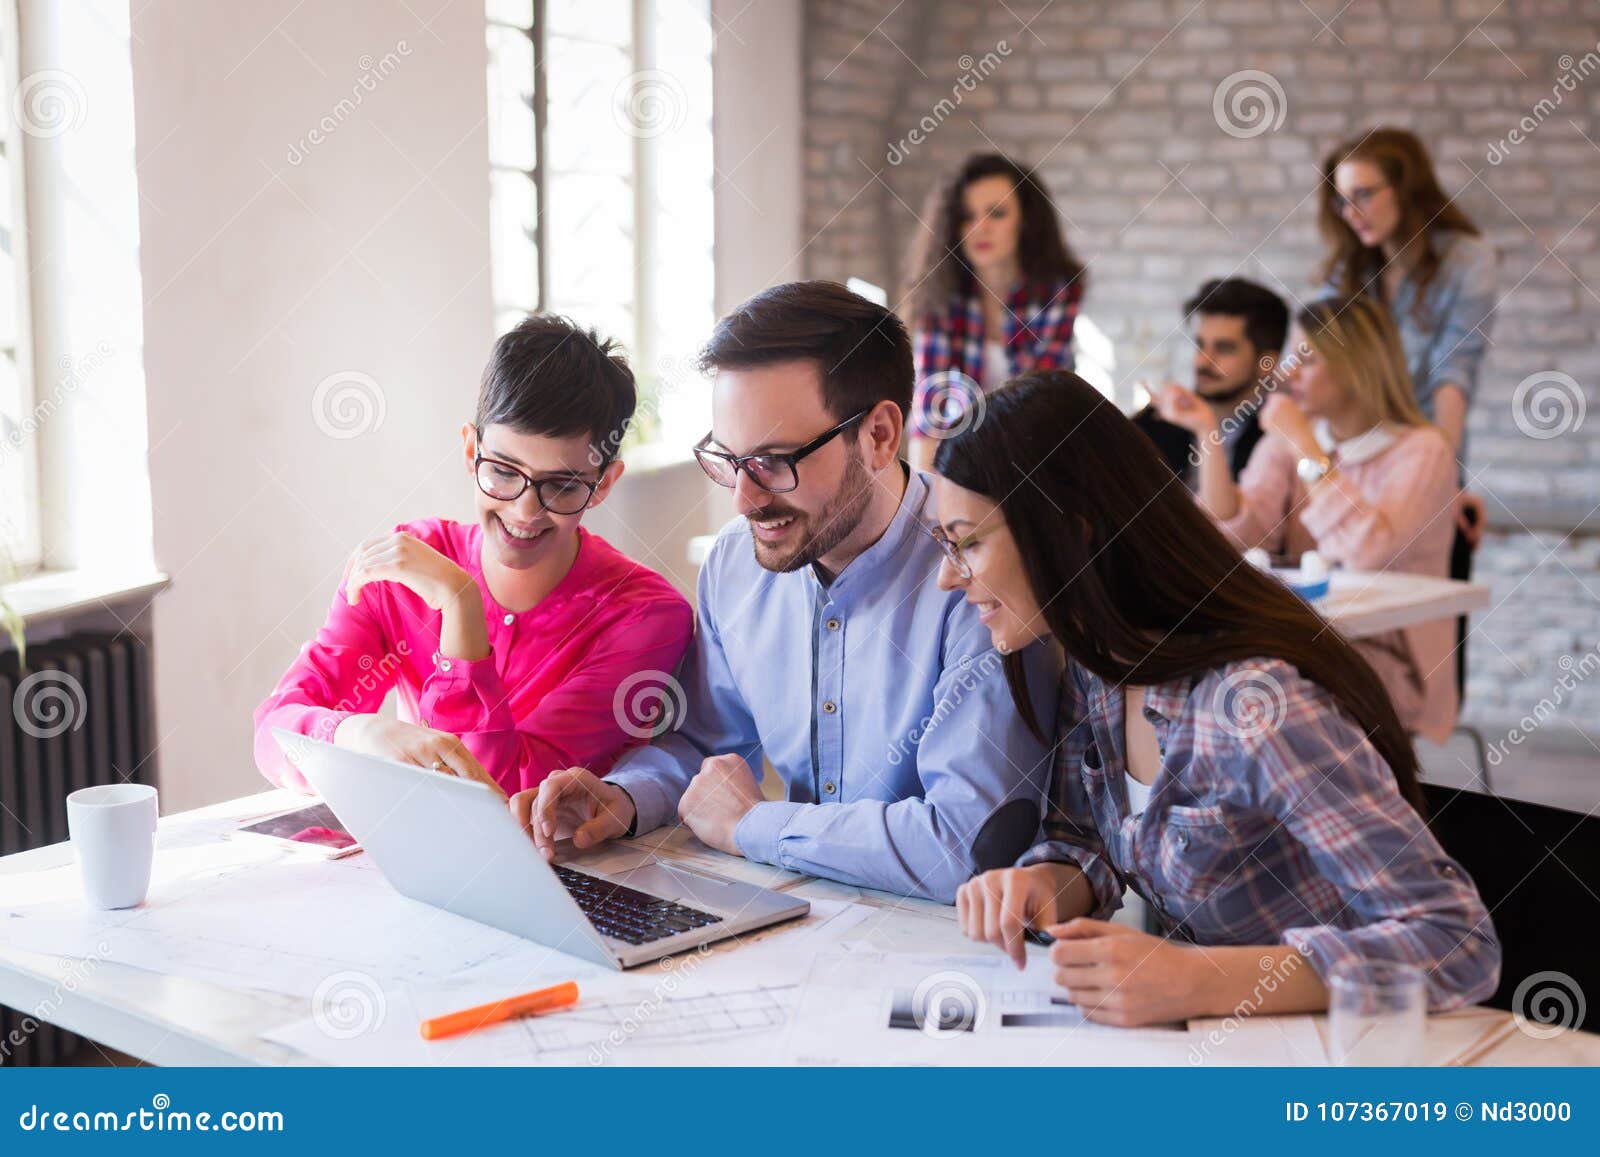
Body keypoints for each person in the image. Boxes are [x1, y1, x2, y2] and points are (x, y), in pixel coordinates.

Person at [935, 373, 1499, 1027]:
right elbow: (1083, 837)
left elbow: (1456, 942)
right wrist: (1045, 883)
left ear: (1074, 529)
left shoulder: (1254, 706)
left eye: (968, 541)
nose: (950, 574)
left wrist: (1199, 979)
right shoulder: (1097, 664)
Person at [518, 281, 1057, 903]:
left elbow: (965, 844)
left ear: (880, 436)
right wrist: (624, 797)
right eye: (727, 459)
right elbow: (705, 744)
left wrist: (754, 825)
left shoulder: (978, 571)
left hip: (954, 950)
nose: (744, 500)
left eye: (775, 461)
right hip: (808, 919)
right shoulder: (732, 565)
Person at [253, 315, 693, 796]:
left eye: (562, 485)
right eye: (504, 471)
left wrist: (461, 605)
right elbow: (275, 731)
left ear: (603, 483)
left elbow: (494, 795)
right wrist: (354, 732)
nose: (525, 510)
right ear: (470, 451)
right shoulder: (407, 567)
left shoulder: (644, 617)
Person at [1181, 296, 1459, 743]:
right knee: (1202, 677)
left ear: (1356, 367)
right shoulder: (1293, 442)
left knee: (1255, 694)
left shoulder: (1423, 452)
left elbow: (1366, 555)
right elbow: (1233, 537)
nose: (1288, 374)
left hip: (1387, 659)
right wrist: (1206, 434)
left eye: (1307, 360)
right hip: (1301, 639)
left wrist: (1308, 451)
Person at [1318, 126, 1495, 548]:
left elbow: (1452, 376)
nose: (1350, 213)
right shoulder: (1351, 268)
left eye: (1363, 194)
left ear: (1406, 188)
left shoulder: (1467, 260)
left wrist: (1442, 480)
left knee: (1426, 600)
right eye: (1341, 201)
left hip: (1423, 455)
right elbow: (1323, 357)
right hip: (1353, 459)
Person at [903, 153, 1086, 472]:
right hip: (960, 467)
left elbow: (1045, 406)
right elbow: (930, 417)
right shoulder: (939, 298)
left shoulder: (1056, 293)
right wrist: (928, 508)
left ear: (1026, 221)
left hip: (1040, 461)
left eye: (996, 214)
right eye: (967, 216)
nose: (979, 229)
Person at [1132, 277, 1288, 486]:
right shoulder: (1154, 425)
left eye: (1224, 348)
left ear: (1266, 363)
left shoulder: (1282, 436)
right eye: (1200, 345)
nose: (1202, 361)